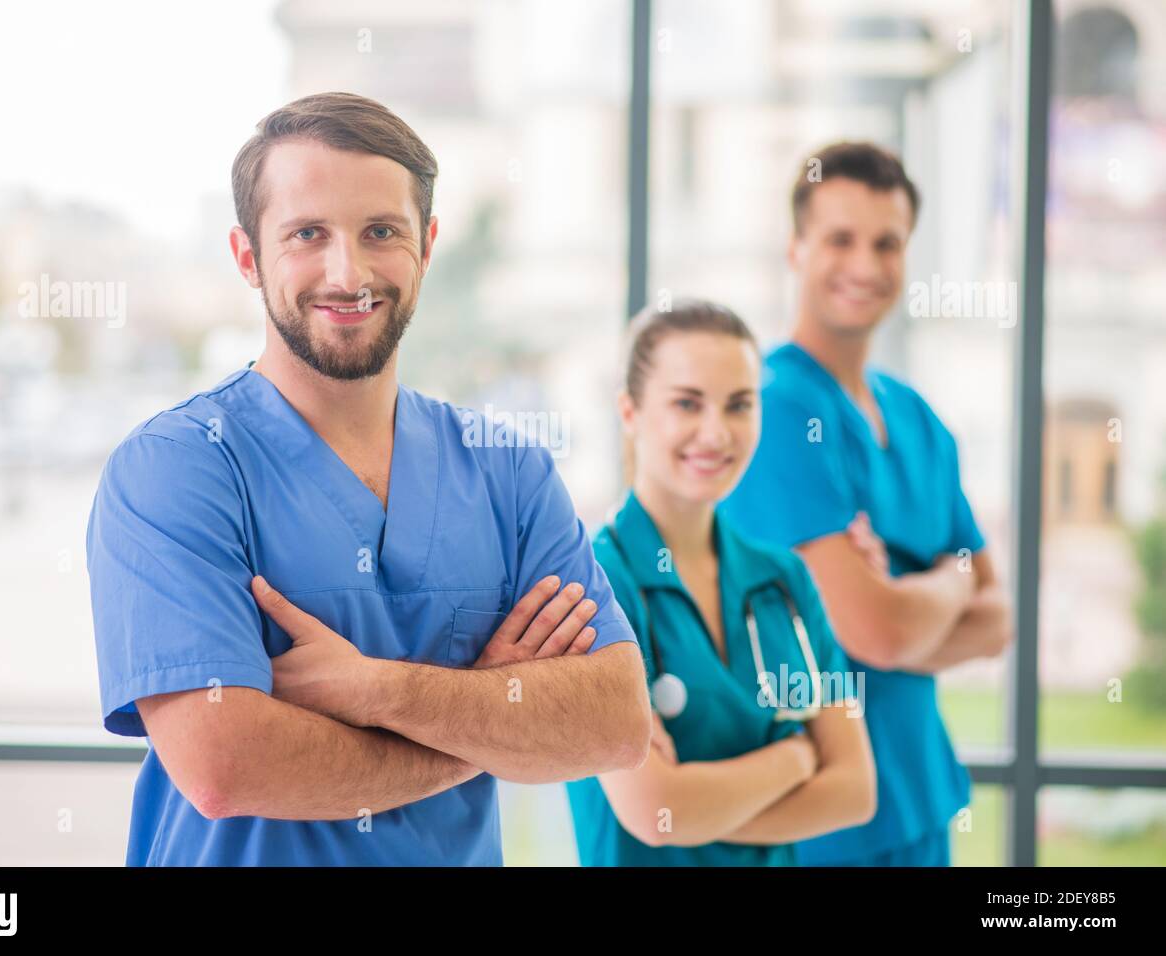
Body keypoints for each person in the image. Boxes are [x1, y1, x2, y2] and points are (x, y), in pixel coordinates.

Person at [85, 92, 651, 866]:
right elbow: (225, 766)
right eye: (307, 234)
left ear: (427, 245)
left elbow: (613, 721)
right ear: (248, 255)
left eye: (381, 231)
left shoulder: (507, 470)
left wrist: (371, 688)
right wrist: (478, 728)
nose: (346, 272)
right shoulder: (177, 470)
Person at [720, 142, 1015, 867]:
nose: (865, 264)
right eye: (840, 239)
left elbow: (999, 619)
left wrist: (902, 606)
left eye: (887, 243)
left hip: (919, 798)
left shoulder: (916, 415)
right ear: (796, 248)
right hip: (828, 822)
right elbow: (877, 631)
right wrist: (949, 580)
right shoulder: (776, 409)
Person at [566, 300, 875, 866]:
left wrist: (700, 807)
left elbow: (856, 791)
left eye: (739, 405)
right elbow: (657, 812)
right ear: (629, 411)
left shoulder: (784, 580)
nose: (715, 433)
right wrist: (796, 760)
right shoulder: (592, 581)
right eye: (687, 403)